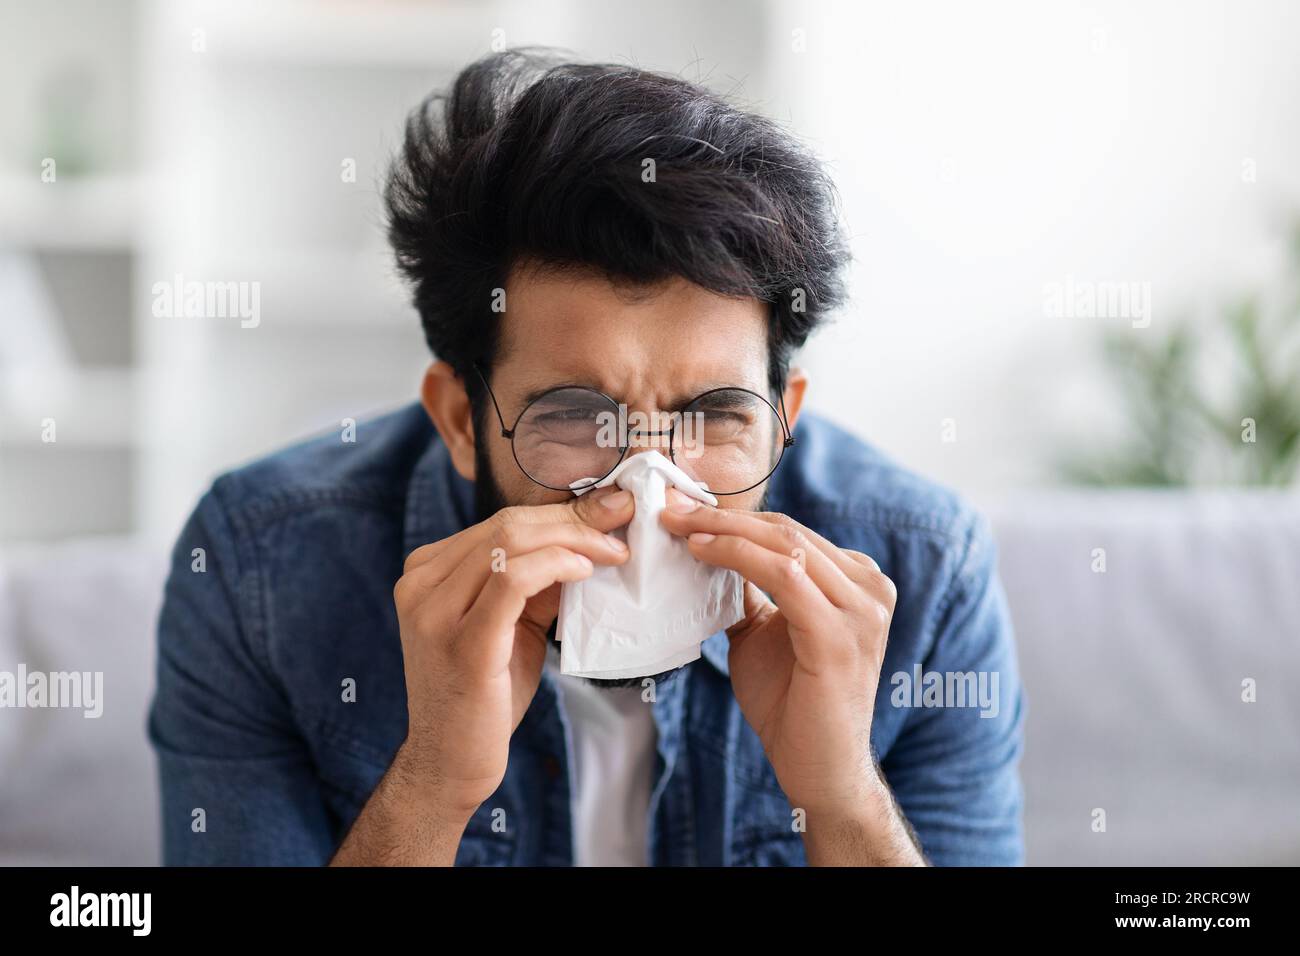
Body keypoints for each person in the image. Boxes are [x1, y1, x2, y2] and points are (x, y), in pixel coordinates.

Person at [147, 49, 1025, 866]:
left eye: (715, 415)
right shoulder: (257, 566)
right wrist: (431, 789)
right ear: (460, 419)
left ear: (783, 420)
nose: (647, 490)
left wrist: (840, 802)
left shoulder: (926, 575)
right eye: (576, 415)